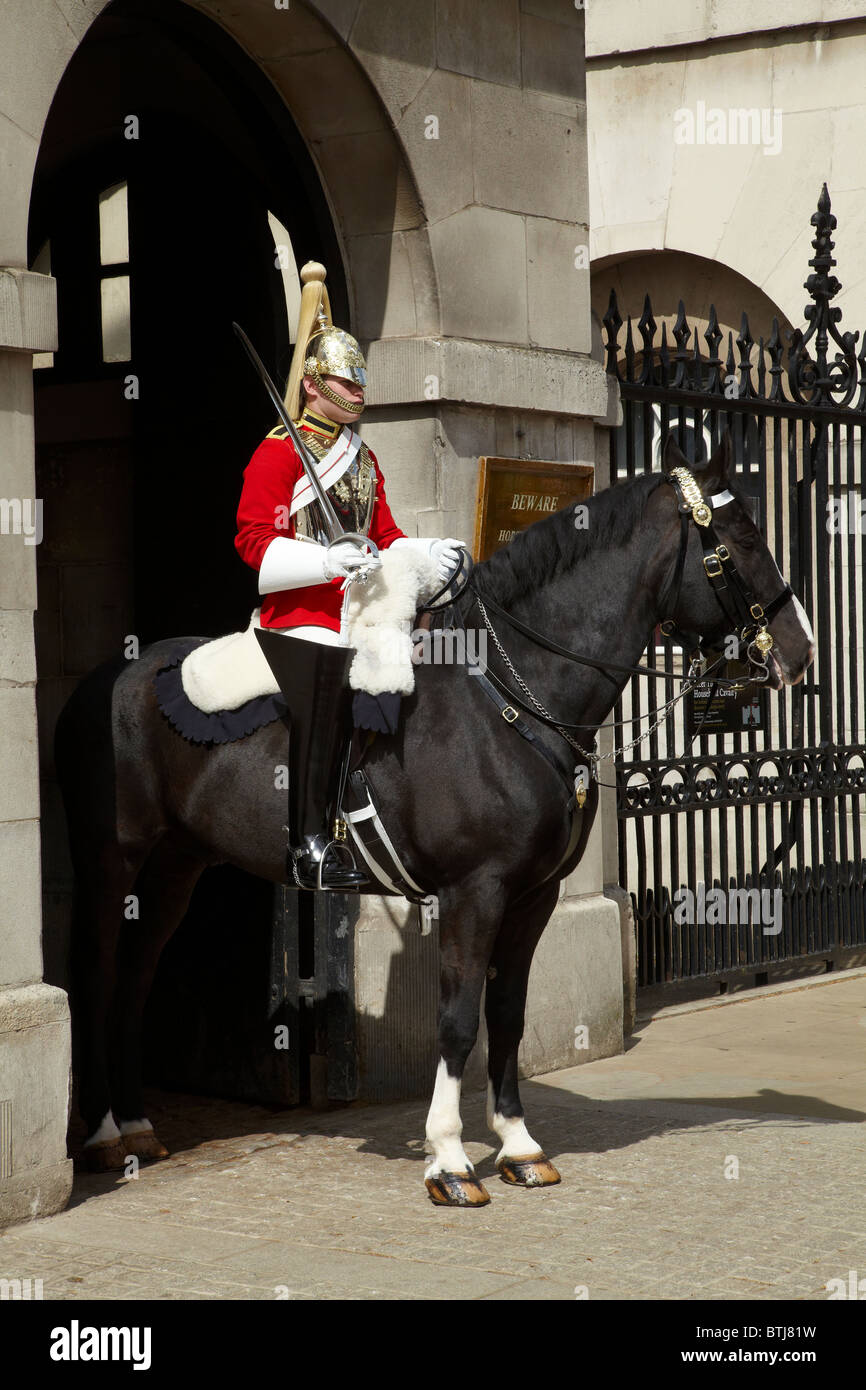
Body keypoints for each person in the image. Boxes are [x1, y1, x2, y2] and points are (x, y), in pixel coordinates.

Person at [236, 262, 464, 890]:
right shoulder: (277, 452)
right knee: (327, 675)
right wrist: (324, 560)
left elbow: (386, 536)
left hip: (360, 613)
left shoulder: (362, 458)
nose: (359, 392)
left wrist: (430, 552)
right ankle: (308, 843)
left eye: (361, 380)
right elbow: (254, 543)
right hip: (299, 619)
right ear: (312, 386)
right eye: (345, 380)